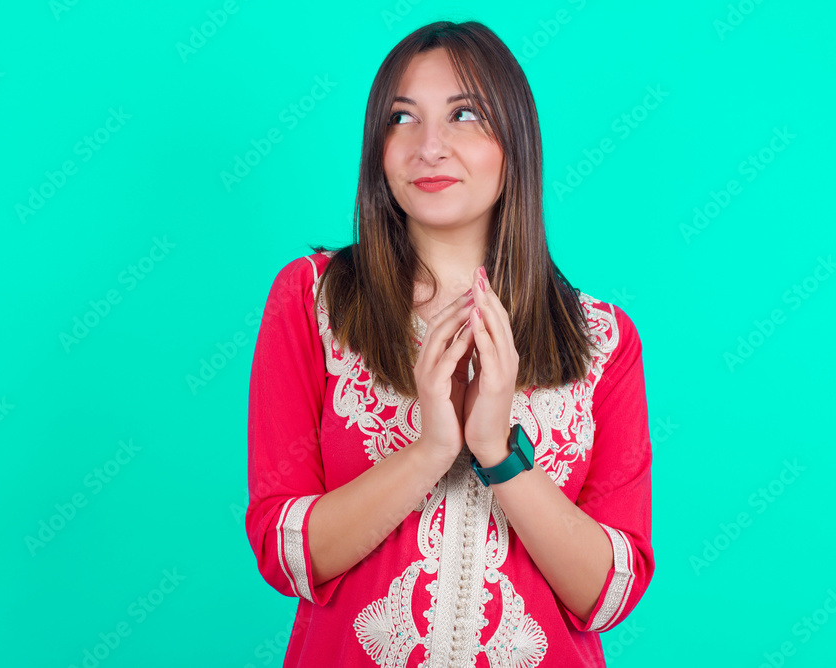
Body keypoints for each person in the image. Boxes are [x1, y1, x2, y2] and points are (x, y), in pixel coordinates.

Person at [245, 20, 653, 667]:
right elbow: (288, 554)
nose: (428, 147)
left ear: (515, 141)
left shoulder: (603, 339)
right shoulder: (314, 299)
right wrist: (433, 448)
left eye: (464, 114)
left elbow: (605, 596)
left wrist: (498, 452)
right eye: (401, 119)